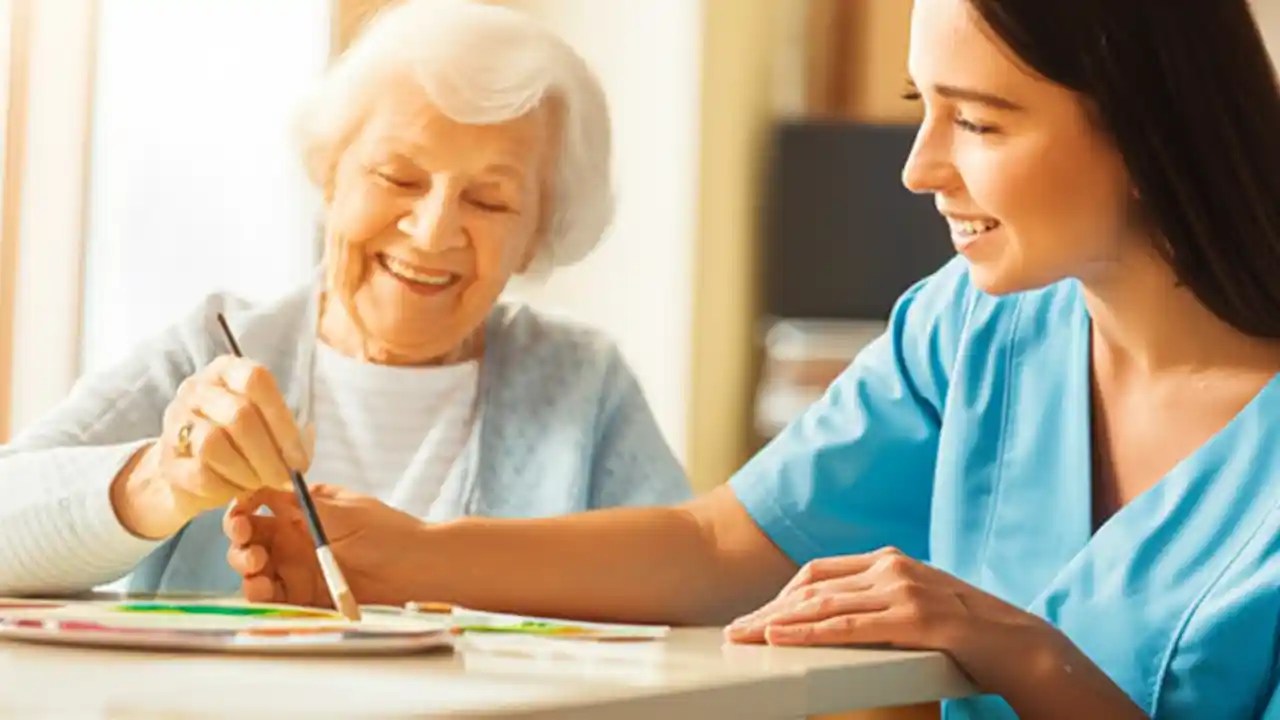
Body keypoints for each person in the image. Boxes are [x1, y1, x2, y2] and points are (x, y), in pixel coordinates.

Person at [232, 0, 1280, 717]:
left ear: (1149, 129)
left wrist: (1023, 653)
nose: (919, 168)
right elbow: (722, 542)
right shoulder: (969, 329)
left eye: (978, 121)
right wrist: (398, 554)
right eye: (925, 109)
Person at [0, 0, 690, 598]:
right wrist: (159, 481)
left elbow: (690, 585)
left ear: (539, 232)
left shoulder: (583, 385)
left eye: (489, 199)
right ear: (330, 175)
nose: (433, 231)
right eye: (398, 177)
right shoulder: (210, 351)